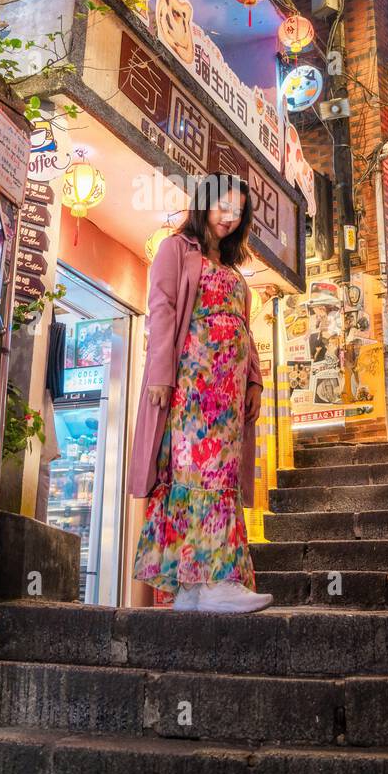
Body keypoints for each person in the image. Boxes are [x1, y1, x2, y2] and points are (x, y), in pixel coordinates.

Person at [128, 174, 272, 614]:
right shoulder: (175, 250)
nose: (229, 218)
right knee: (199, 474)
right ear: (205, 202)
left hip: (228, 397)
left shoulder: (232, 270)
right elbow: (162, 310)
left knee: (221, 477)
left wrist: (254, 381)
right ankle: (214, 578)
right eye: (223, 206)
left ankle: (193, 587)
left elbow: (244, 330)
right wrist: (158, 376)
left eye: (238, 212)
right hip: (193, 389)